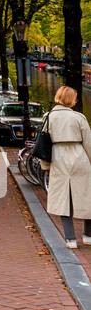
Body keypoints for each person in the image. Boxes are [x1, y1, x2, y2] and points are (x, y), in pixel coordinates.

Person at [44, 85, 91, 248]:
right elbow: (88, 143)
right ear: (71, 99)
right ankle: (88, 235)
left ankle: (70, 239)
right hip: (80, 157)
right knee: (86, 196)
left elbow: (44, 145)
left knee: (64, 200)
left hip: (59, 158)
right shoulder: (79, 118)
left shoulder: (48, 117)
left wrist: (45, 166)